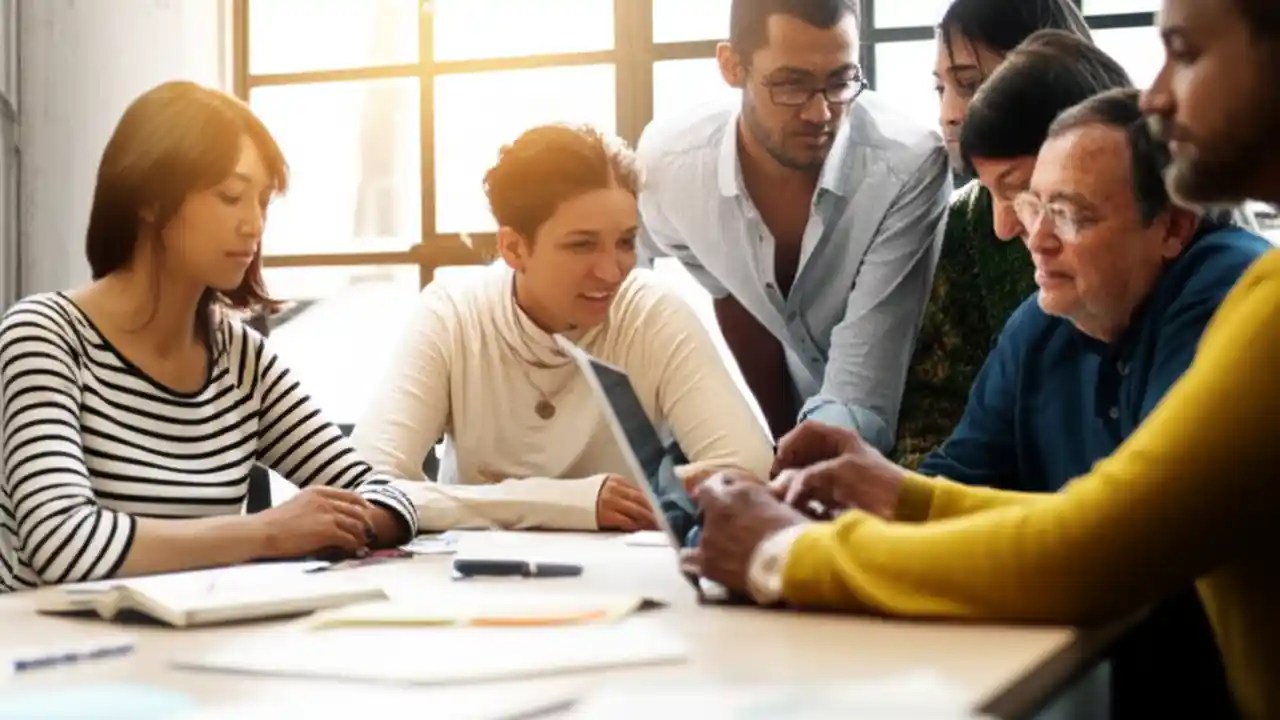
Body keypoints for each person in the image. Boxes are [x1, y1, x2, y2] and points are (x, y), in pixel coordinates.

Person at [686, 0, 1280, 715]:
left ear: (1171, 231)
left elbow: (1095, 549)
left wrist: (786, 557)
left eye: (1184, 50)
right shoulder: (1049, 316)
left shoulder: (1247, 298)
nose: (1154, 95)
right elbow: (1054, 511)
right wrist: (896, 494)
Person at [0, 81, 418, 592]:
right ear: (151, 199)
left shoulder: (242, 360)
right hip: (46, 658)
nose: (254, 225)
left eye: (263, 201)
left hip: (188, 652)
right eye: (230, 196)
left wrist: (328, 524)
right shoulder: (43, 336)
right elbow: (63, 543)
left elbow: (388, 495)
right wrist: (267, 533)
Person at [350, 124, 773, 534]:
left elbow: (748, 472)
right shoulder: (452, 313)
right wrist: (568, 503)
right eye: (581, 245)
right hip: (475, 582)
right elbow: (367, 490)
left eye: (625, 242)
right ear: (514, 248)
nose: (612, 272)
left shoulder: (651, 312)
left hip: (627, 581)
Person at [637, 0, 950, 450]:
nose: (820, 113)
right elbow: (631, 291)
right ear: (731, 66)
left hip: (916, 430)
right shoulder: (671, 167)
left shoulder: (906, 167)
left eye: (841, 81)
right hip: (760, 431)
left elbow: (862, 395)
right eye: (791, 85)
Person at [897, 0, 1091, 464]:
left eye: (969, 84)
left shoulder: (1184, 250)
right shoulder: (963, 225)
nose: (947, 112)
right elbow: (934, 416)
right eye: (940, 87)